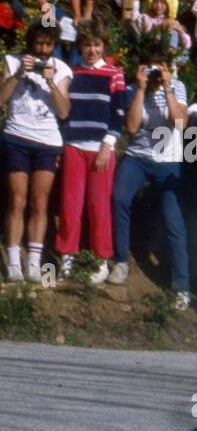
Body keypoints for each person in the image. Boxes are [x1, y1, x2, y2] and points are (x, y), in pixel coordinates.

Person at [109, 49, 191, 307]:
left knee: (173, 219)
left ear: (168, 69)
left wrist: (166, 88)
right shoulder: (134, 89)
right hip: (138, 157)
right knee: (119, 197)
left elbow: (180, 123)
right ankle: (121, 261)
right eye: (150, 68)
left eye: (160, 68)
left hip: (168, 160)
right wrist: (142, 90)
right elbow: (132, 128)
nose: (155, 73)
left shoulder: (177, 87)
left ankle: (182, 286)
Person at [1, 25, 72, 282]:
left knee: (40, 203)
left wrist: (51, 81)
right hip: (16, 137)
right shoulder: (12, 60)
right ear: (30, 43)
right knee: (17, 200)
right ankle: (12, 259)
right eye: (38, 43)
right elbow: (1, 98)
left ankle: (33, 260)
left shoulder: (62, 69)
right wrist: (19, 73)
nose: (42, 49)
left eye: (48, 44)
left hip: (47, 141)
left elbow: (64, 112)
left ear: (54, 45)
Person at [56, 26, 125, 282]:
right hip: (73, 146)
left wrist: (107, 145)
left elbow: (118, 116)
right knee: (70, 204)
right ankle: (67, 255)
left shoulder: (115, 74)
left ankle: (100, 258)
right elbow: (64, 112)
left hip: (101, 150)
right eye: (87, 45)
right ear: (80, 47)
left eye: (97, 45)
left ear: (104, 46)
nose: (92, 50)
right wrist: (62, 145)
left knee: (99, 205)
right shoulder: (71, 73)